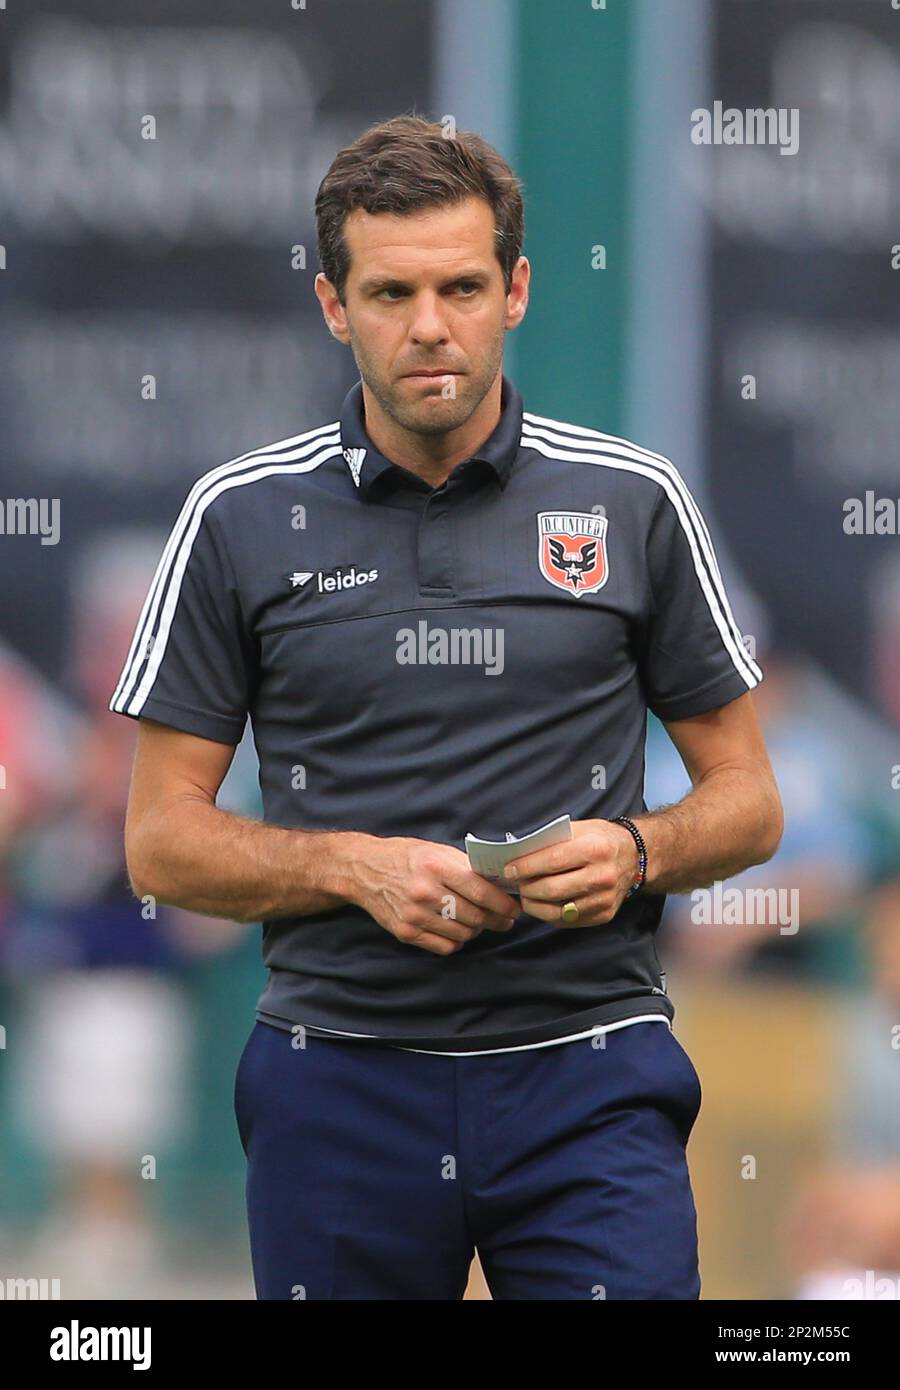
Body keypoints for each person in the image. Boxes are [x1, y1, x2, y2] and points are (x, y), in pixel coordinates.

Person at [109, 115, 783, 1300]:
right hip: (339, 1076)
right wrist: (351, 868)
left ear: (517, 290)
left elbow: (750, 802)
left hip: (590, 1071)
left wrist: (635, 850)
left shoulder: (633, 500)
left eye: (464, 286)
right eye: (392, 292)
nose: (431, 326)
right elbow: (160, 840)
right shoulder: (237, 516)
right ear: (333, 304)